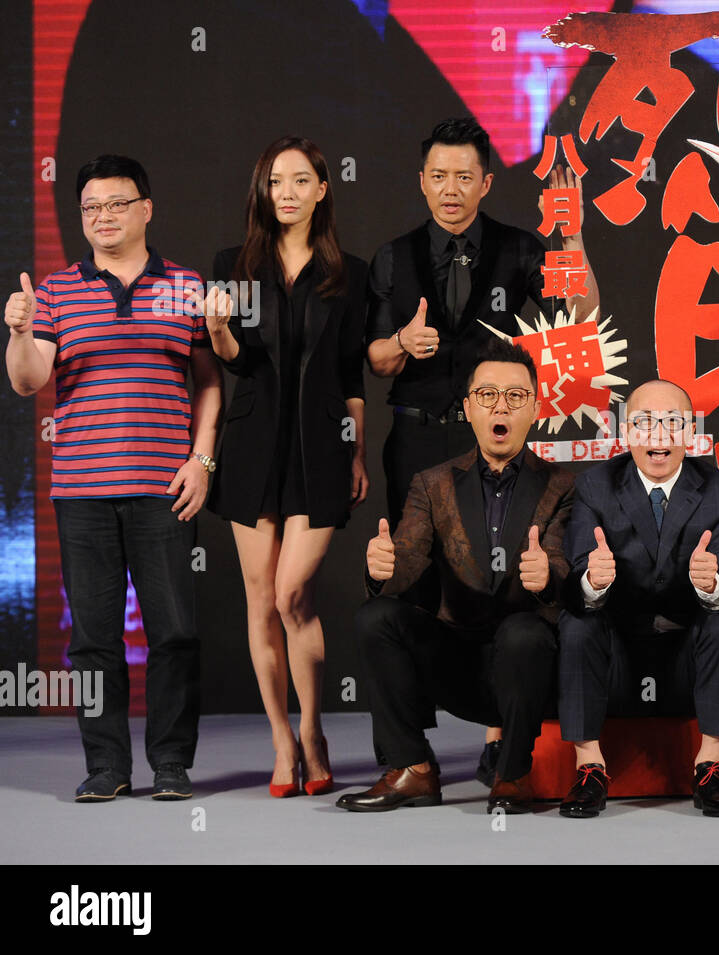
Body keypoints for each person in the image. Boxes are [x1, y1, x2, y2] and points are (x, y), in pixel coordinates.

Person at [366, 116, 598, 779]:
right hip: (416, 438)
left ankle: (503, 731)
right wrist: (401, 346)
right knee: (408, 589)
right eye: (438, 175)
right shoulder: (392, 255)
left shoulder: (520, 247)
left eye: (464, 176)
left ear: (486, 181)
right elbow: (374, 356)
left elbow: (576, 313)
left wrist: (572, 231)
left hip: (494, 440)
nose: (450, 188)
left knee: (506, 585)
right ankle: (406, 757)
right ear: (422, 180)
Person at [4, 155, 222, 801]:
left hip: (166, 486)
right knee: (94, 639)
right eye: (91, 208)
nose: (103, 217)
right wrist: (18, 330)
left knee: (175, 631)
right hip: (82, 490)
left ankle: (172, 764)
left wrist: (203, 459)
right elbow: (27, 379)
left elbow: (210, 381)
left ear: (146, 208)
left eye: (116, 204)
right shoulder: (57, 291)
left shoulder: (186, 286)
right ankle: (106, 766)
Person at [337, 339, 573, 814]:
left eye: (515, 396)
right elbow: (406, 558)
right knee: (377, 616)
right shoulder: (433, 482)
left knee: (526, 631)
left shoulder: (564, 485)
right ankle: (413, 769)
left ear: (535, 408)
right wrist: (382, 568)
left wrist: (547, 575)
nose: (500, 406)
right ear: (468, 408)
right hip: (456, 664)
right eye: (487, 395)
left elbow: (564, 568)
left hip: (528, 668)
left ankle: (513, 773)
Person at [204, 136, 369, 798]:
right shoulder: (232, 266)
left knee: (291, 592)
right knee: (258, 598)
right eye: (277, 182)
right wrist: (217, 330)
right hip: (252, 447)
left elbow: (352, 370)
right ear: (263, 191)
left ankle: (312, 729)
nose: (289, 192)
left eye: (302, 180)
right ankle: (281, 739)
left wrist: (356, 447)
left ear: (323, 189)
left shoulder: (347, 273)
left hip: (322, 446)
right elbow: (235, 362)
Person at [557, 380, 719, 818]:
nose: (658, 435)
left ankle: (710, 767)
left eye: (671, 423)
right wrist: (594, 580)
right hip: (619, 660)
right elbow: (580, 566)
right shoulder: (595, 486)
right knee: (577, 619)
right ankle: (589, 768)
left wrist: (710, 582)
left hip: (686, 660)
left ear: (690, 431)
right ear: (625, 431)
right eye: (644, 422)